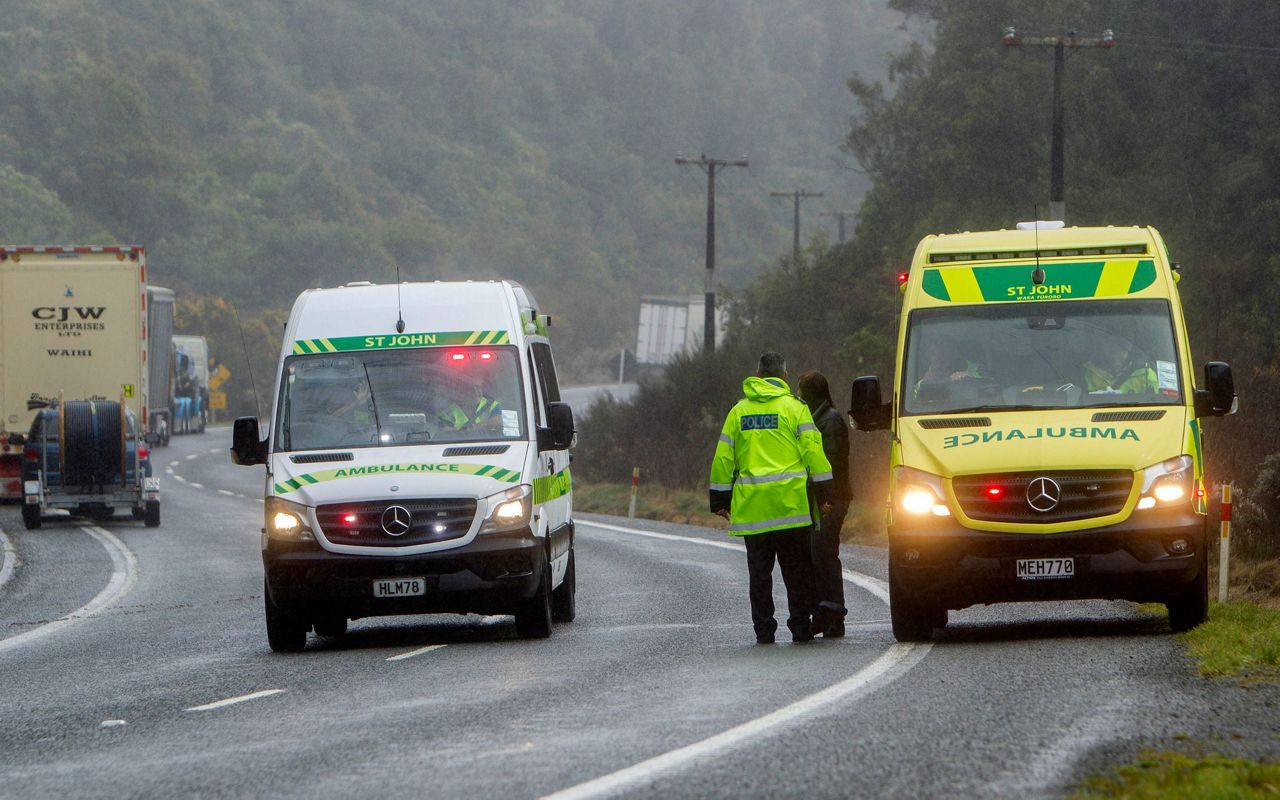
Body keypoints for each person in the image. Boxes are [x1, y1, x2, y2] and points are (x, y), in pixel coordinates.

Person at [709, 352, 834, 644]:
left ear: (757, 374)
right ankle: (801, 627)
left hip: (754, 509)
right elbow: (813, 453)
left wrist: (720, 499)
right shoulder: (795, 409)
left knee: (760, 576)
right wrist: (826, 492)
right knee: (797, 574)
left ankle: (764, 630)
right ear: (785, 377)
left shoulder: (738, 412)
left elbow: (723, 458)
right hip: (791, 508)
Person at [797, 370, 851, 638]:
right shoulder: (816, 418)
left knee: (823, 553)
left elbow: (831, 464)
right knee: (817, 554)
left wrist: (825, 497)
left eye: (801, 391)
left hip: (832, 498)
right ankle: (825, 612)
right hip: (822, 498)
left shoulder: (829, 421)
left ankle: (833, 614)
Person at [1083, 339, 1158, 394]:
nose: (1116, 354)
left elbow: (1156, 402)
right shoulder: (1091, 372)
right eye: (1112, 349)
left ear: (1131, 354)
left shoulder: (1145, 375)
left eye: (1123, 349)